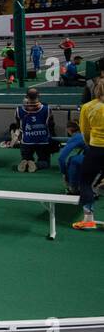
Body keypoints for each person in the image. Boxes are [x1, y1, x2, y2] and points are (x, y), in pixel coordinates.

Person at [72, 78, 104, 230]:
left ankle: (88, 219)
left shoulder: (87, 107)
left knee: (85, 182)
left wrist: (90, 144)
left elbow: (84, 131)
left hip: (96, 148)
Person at [16, 88, 53, 172]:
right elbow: (51, 125)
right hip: (43, 141)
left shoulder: (19, 110)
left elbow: (19, 125)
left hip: (26, 141)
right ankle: (36, 165)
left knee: (26, 157)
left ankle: (26, 161)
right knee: (45, 162)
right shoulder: (46, 109)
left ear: (26, 97)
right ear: (38, 96)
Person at [60, 120, 85, 195]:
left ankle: (73, 187)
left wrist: (64, 172)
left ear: (68, 130)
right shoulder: (86, 135)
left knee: (73, 160)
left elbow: (61, 158)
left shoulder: (75, 138)